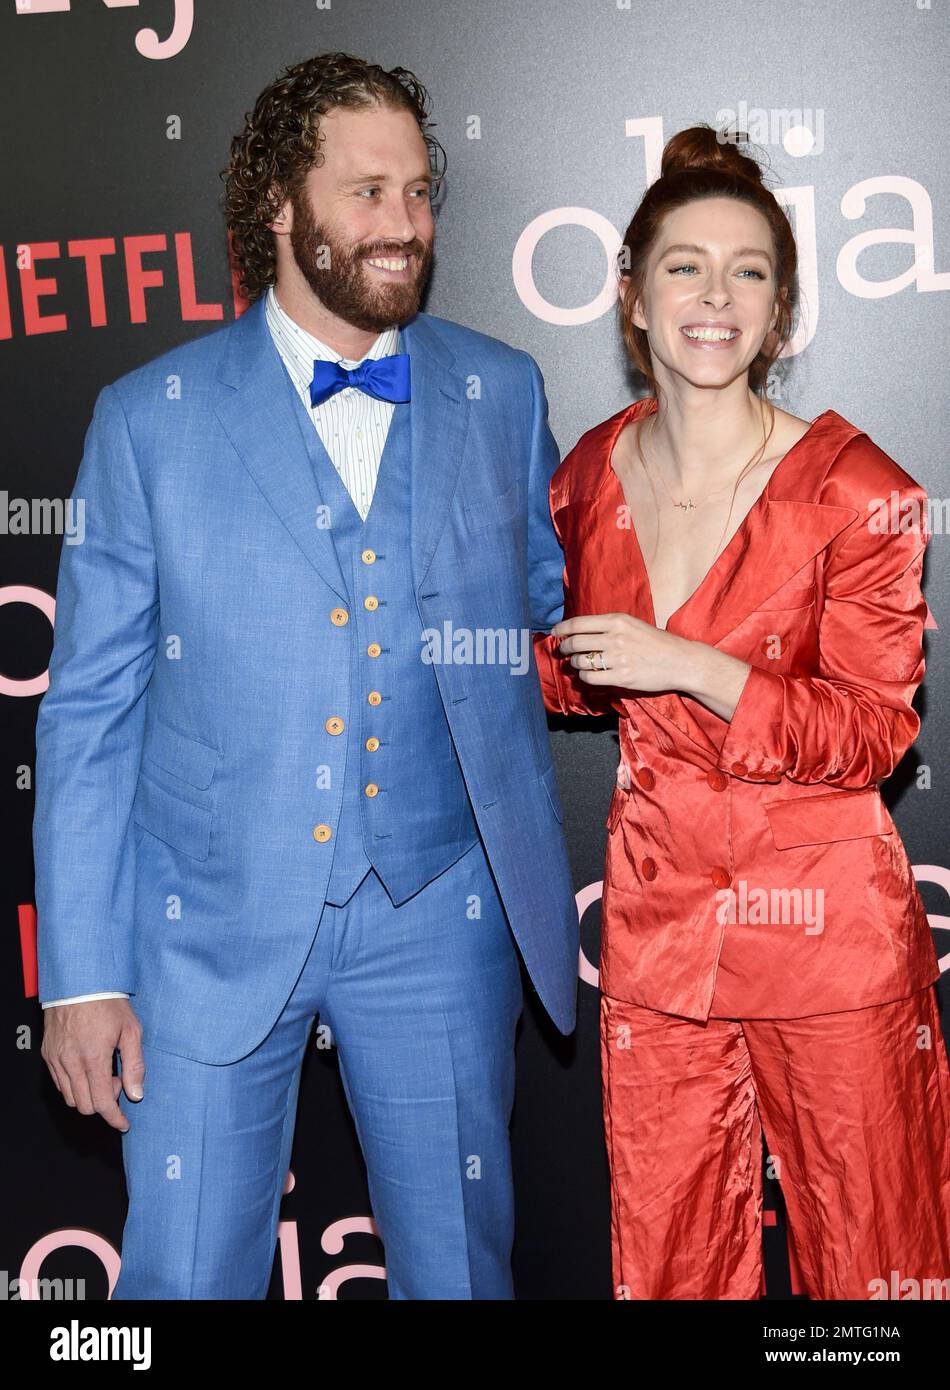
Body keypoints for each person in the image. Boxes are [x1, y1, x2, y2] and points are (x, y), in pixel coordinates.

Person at [33, 51, 578, 1300]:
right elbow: (90, 717)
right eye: (365, 192)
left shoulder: (500, 390)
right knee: (180, 1282)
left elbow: (553, 611)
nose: (403, 224)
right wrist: (82, 974)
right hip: (206, 925)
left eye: (418, 191)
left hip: (436, 911)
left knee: (460, 1274)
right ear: (279, 208)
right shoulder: (149, 416)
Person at [533, 124, 950, 1300]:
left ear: (779, 312)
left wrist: (692, 664)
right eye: (682, 266)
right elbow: (569, 671)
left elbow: (872, 731)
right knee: (665, 1267)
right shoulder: (586, 474)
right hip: (662, 948)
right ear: (631, 295)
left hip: (832, 955)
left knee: (876, 1268)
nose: (713, 296)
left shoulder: (858, 491)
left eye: (748, 271)